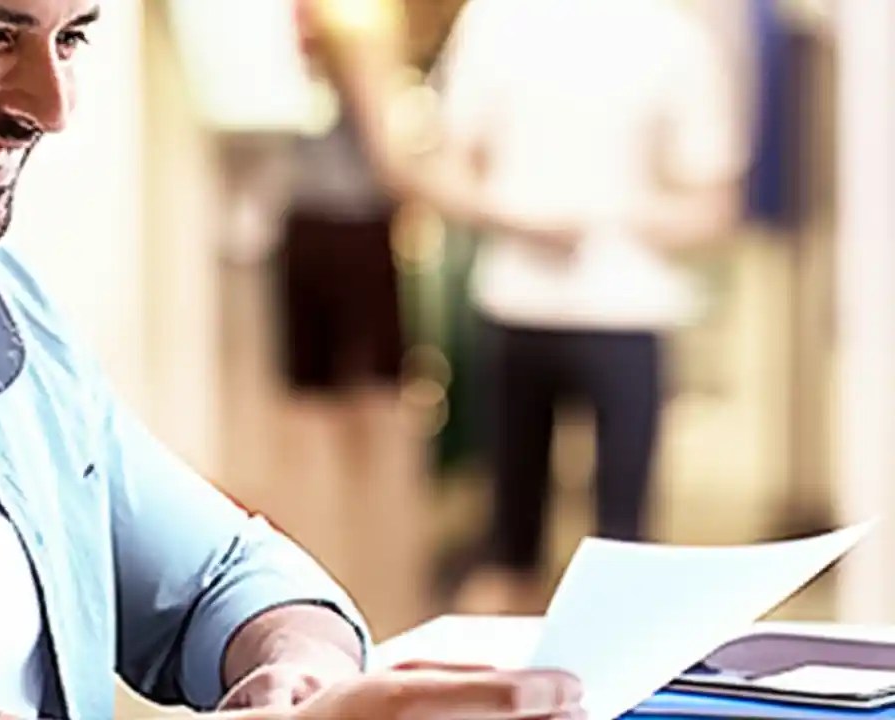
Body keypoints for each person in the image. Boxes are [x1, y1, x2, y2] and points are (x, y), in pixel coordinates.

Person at [0, 0, 583, 718]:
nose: (52, 103)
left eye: (70, 36)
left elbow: (225, 576)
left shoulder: (12, 313)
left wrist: (300, 677)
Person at [300, 0, 746, 614]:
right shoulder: (496, 22)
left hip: (628, 314)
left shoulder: (676, 40)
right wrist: (517, 217)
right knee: (507, 552)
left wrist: (605, 220)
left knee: (626, 550)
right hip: (512, 308)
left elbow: (714, 205)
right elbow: (442, 169)